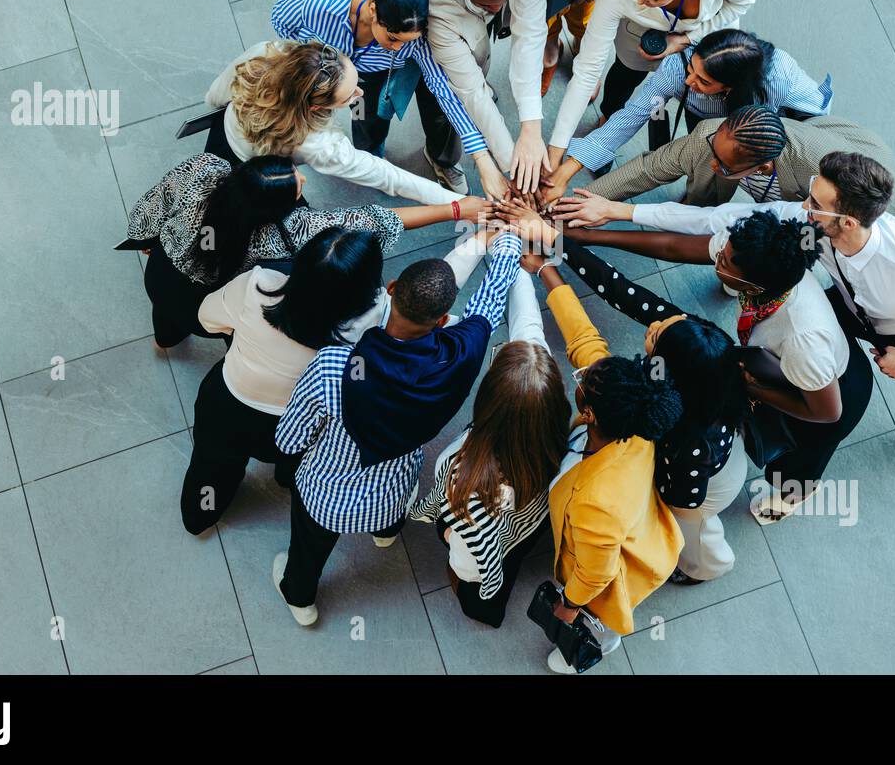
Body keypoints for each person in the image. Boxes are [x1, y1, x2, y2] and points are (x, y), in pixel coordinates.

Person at [570, 151, 895, 484]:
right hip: (852, 307)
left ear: (847, 221)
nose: (803, 206)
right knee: (817, 343)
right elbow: (715, 222)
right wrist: (617, 212)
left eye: (815, 202)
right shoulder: (813, 228)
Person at [540, 206, 872, 524]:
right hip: (780, 371)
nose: (717, 258)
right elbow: (655, 266)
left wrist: (755, 388)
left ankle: (792, 499)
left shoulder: (802, 340)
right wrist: (570, 239)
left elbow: (828, 413)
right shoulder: (758, 260)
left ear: (753, 287)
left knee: (793, 470)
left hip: (834, 395)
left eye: (724, 261)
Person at [271, 228, 524, 627]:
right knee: (390, 515)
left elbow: (289, 438)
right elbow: (488, 305)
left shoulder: (335, 366)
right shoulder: (462, 352)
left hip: (325, 497)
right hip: (394, 489)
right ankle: (386, 534)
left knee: (308, 551)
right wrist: (507, 240)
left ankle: (300, 598)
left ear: (390, 289)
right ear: (442, 320)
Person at [182, 225, 498, 534]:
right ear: (375, 286)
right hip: (308, 429)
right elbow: (428, 292)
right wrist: (483, 239)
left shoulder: (258, 286)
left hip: (228, 406)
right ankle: (286, 477)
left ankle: (199, 516)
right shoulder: (380, 322)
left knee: (210, 466)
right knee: (294, 457)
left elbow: (206, 318)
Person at [500, 199, 749, 579]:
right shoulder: (707, 354)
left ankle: (705, 567)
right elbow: (621, 292)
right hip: (718, 459)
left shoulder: (682, 438)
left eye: (658, 335)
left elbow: (683, 501)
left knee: (695, 533)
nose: (653, 325)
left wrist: (654, 503)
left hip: (701, 489)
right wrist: (552, 251)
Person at [126, 152, 486, 349]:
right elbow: (372, 220)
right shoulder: (285, 233)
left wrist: (145, 239)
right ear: (275, 212)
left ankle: (165, 339)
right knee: (222, 328)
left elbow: (151, 206)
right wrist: (455, 210)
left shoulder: (203, 169)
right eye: (296, 183)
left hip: (160, 276)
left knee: (167, 313)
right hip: (209, 304)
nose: (304, 179)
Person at [524, 243, 684, 672]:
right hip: (632, 529)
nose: (582, 372)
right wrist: (545, 272)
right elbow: (584, 339)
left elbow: (595, 574)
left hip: (612, 573)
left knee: (599, 615)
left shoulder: (598, 501)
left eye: (582, 381)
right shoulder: (627, 412)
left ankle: (599, 640)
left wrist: (569, 607)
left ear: (588, 412)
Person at [410, 268, 570, 627]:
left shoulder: (459, 469)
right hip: (532, 521)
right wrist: (521, 263)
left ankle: (484, 610)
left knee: (484, 590)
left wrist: (450, 534)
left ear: (488, 402)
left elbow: (470, 561)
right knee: (513, 554)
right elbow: (529, 326)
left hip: (484, 536)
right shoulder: (556, 419)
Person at [543, 0, 760, 174]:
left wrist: (687, 39)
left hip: (707, 40)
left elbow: (742, 2)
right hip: (638, 37)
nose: (638, 1)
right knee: (624, 75)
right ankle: (606, 125)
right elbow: (587, 69)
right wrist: (556, 148)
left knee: (701, 92)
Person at [270, 0, 496, 195]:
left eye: (405, 41)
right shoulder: (323, 1)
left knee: (439, 110)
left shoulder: (415, 43)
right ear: (372, 8)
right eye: (392, 38)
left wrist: (481, 156)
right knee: (362, 116)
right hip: (358, 79)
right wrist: (310, 58)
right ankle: (372, 161)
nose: (398, 48)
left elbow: (442, 87)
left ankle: (443, 160)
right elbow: (280, 16)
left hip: (399, 68)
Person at [544, 30, 832, 199]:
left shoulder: (779, 79)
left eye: (703, 82)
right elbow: (631, 116)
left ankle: (700, 203)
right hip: (704, 115)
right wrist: (568, 169)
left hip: (754, 130)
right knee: (699, 153)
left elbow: (815, 111)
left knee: (715, 178)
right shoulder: (676, 67)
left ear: (731, 86)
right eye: (691, 70)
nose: (689, 82)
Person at [500, 0, 648, 192]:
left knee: (586, 17)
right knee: (544, 22)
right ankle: (552, 50)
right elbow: (526, 30)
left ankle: (575, 37)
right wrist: (530, 127)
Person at [203, 39, 459, 205]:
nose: (360, 94)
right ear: (315, 107)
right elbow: (386, 176)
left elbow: (217, 93)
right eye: (348, 96)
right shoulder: (317, 144)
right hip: (262, 174)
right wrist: (455, 202)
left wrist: (214, 105)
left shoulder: (267, 52)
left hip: (221, 135)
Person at [555, 105, 895, 221]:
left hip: (864, 179)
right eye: (713, 148)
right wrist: (575, 203)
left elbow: (719, 225)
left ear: (763, 169)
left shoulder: (821, 193)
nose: (708, 161)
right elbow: (649, 168)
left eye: (722, 165)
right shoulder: (712, 137)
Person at [411, 0, 521, 200]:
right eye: (487, 4)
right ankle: (441, 159)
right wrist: (512, 166)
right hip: (436, 60)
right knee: (443, 112)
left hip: (468, 35)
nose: (497, 10)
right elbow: (471, 91)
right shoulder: (435, 11)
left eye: (503, 0)